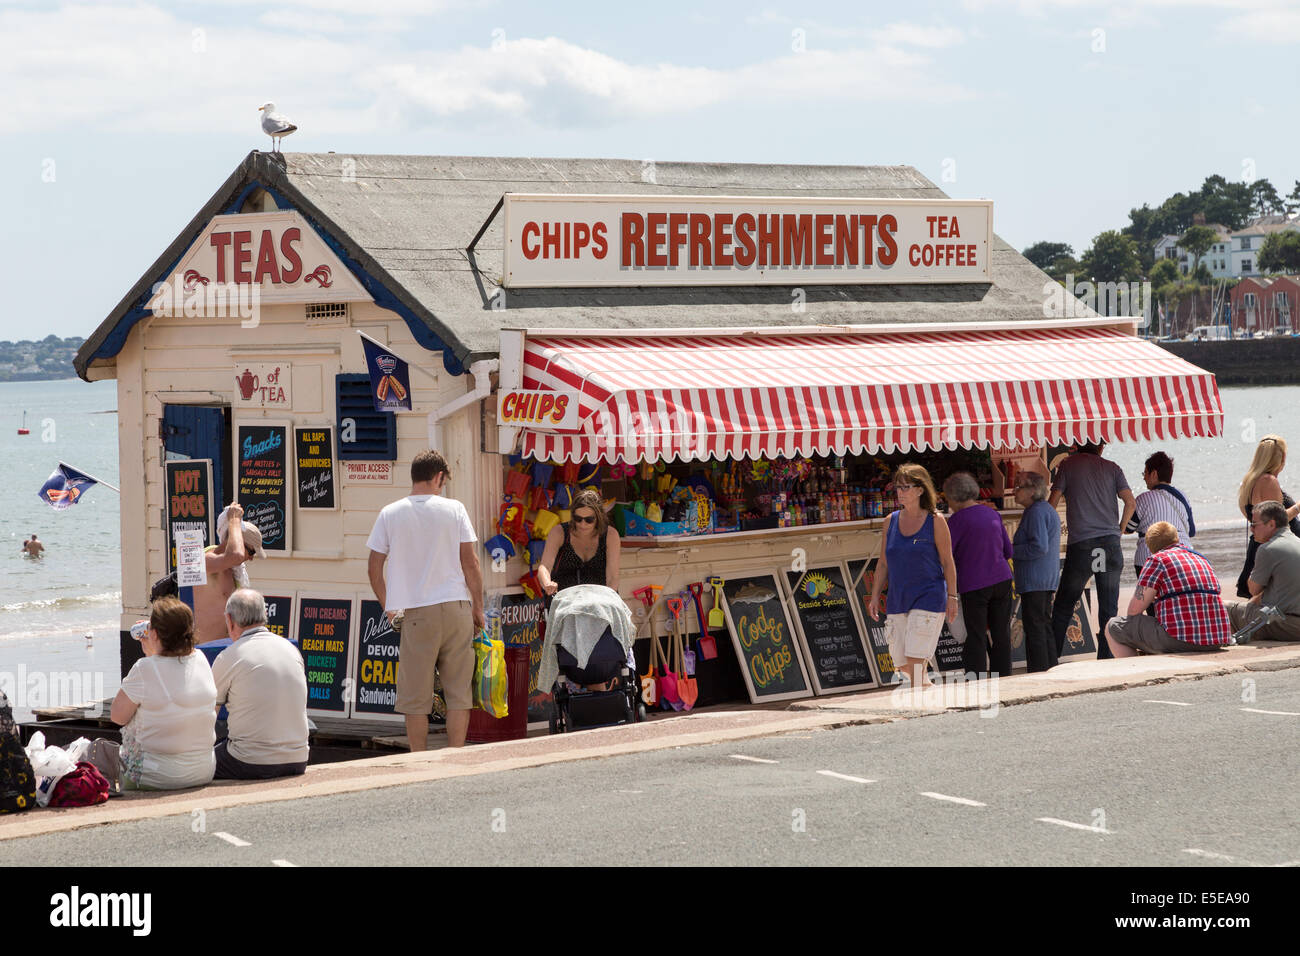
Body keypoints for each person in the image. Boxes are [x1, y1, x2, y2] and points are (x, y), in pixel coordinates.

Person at [367, 449, 484, 751]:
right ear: (438, 477)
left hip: (416, 611)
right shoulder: (455, 509)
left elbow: (373, 566)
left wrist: (388, 608)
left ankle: (419, 762)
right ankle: (455, 753)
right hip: (457, 606)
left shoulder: (390, 513)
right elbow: (471, 562)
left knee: (416, 697)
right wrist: (478, 607)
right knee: (459, 692)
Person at [109, 597, 217, 790]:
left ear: (155, 634)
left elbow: (117, 716)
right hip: (204, 770)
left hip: (156, 775)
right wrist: (155, 657)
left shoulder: (144, 668)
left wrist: (151, 658)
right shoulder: (201, 659)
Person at [867, 464, 958, 688]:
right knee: (903, 664)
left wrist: (953, 597)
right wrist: (874, 595)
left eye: (906, 487)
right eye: (897, 487)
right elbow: (883, 563)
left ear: (920, 489)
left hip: (929, 596)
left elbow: (948, 562)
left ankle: (921, 709)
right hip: (898, 598)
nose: (900, 492)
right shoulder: (891, 521)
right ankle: (929, 692)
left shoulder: (935, 521)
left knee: (916, 661)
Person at [1049, 441, 1136, 660]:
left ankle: (1049, 658)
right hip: (1110, 543)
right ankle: (1105, 660)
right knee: (1108, 610)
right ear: (1101, 447)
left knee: (1063, 606)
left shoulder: (1067, 465)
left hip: (1082, 545)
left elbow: (1052, 503)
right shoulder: (1113, 467)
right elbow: (1130, 502)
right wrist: (1120, 529)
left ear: (1078, 444)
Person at [211, 588, 310, 779]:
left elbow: (206, 716)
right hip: (298, 760)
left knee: (195, 765)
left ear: (229, 620)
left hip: (249, 762)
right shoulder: (291, 649)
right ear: (265, 616)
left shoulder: (229, 656)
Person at [1106, 522, 1232, 656]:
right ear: (1176, 539)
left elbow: (1134, 611)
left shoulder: (1157, 560)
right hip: (1217, 637)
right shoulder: (1201, 558)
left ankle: (1133, 669)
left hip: (1180, 639)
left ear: (1150, 547)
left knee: (1114, 626)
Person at [942, 471, 1013, 677]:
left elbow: (947, 557)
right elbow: (1008, 551)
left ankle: (977, 680)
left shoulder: (955, 521)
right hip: (1002, 579)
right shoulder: (992, 514)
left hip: (973, 584)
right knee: (1001, 634)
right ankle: (1004, 678)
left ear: (954, 497)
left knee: (976, 635)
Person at [1235, 435, 1300, 598]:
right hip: (1278, 549)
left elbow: (1259, 517)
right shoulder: (1268, 481)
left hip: (1264, 546)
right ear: (1282, 457)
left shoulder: (1251, 480)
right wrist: (1298, 507)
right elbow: (1277, 518)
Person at [1226, 500, 1300, 642]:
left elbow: (1253, 589)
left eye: (1254, 524)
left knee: (1221, 607)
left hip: (1287, 624)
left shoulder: (1268, 549)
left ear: (1271, 524)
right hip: (1292, 620)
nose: (1252, 529)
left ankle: (1220, 646)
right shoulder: (1297, 541)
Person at [1012, 472, 1061, 672]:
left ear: (1032, 491)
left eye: (1019, 487)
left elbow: (1039, 547)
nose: (1015, 490)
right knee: (1043, 626)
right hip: (1043, 578)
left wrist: (1010, 550)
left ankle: (1040, 670)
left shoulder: (1036, 512)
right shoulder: (1045, 509)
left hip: (1035, 579)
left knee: (1036, 629)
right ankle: (1050, 668)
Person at [193, 503, 262, 645]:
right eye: (251, 551)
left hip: (224, 649)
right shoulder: (206, 560)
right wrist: (234, 520)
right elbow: (236, 555)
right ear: (238, 542)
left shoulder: (233, 571)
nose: (251, 558)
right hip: (202, 650)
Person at [537, 488, 622, 595]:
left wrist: (608, 600)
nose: (582, 524)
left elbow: (612, 577)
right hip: (565, 601)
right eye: (578, 519)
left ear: (599, 517)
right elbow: (545, 566)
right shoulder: (559, 532)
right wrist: (547, 583)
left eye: (589, 520)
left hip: (600, 600)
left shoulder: (610, 535)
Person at [1127, 451, 1195, 576]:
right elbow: (1191, 532)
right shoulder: (1183, 497)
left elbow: (1128, 528)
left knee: (1148, 596)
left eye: (1145, 473)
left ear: (1153, 474)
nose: (1144, 477)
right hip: (1183, 557)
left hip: (1149, 559)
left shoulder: (1143, 498)